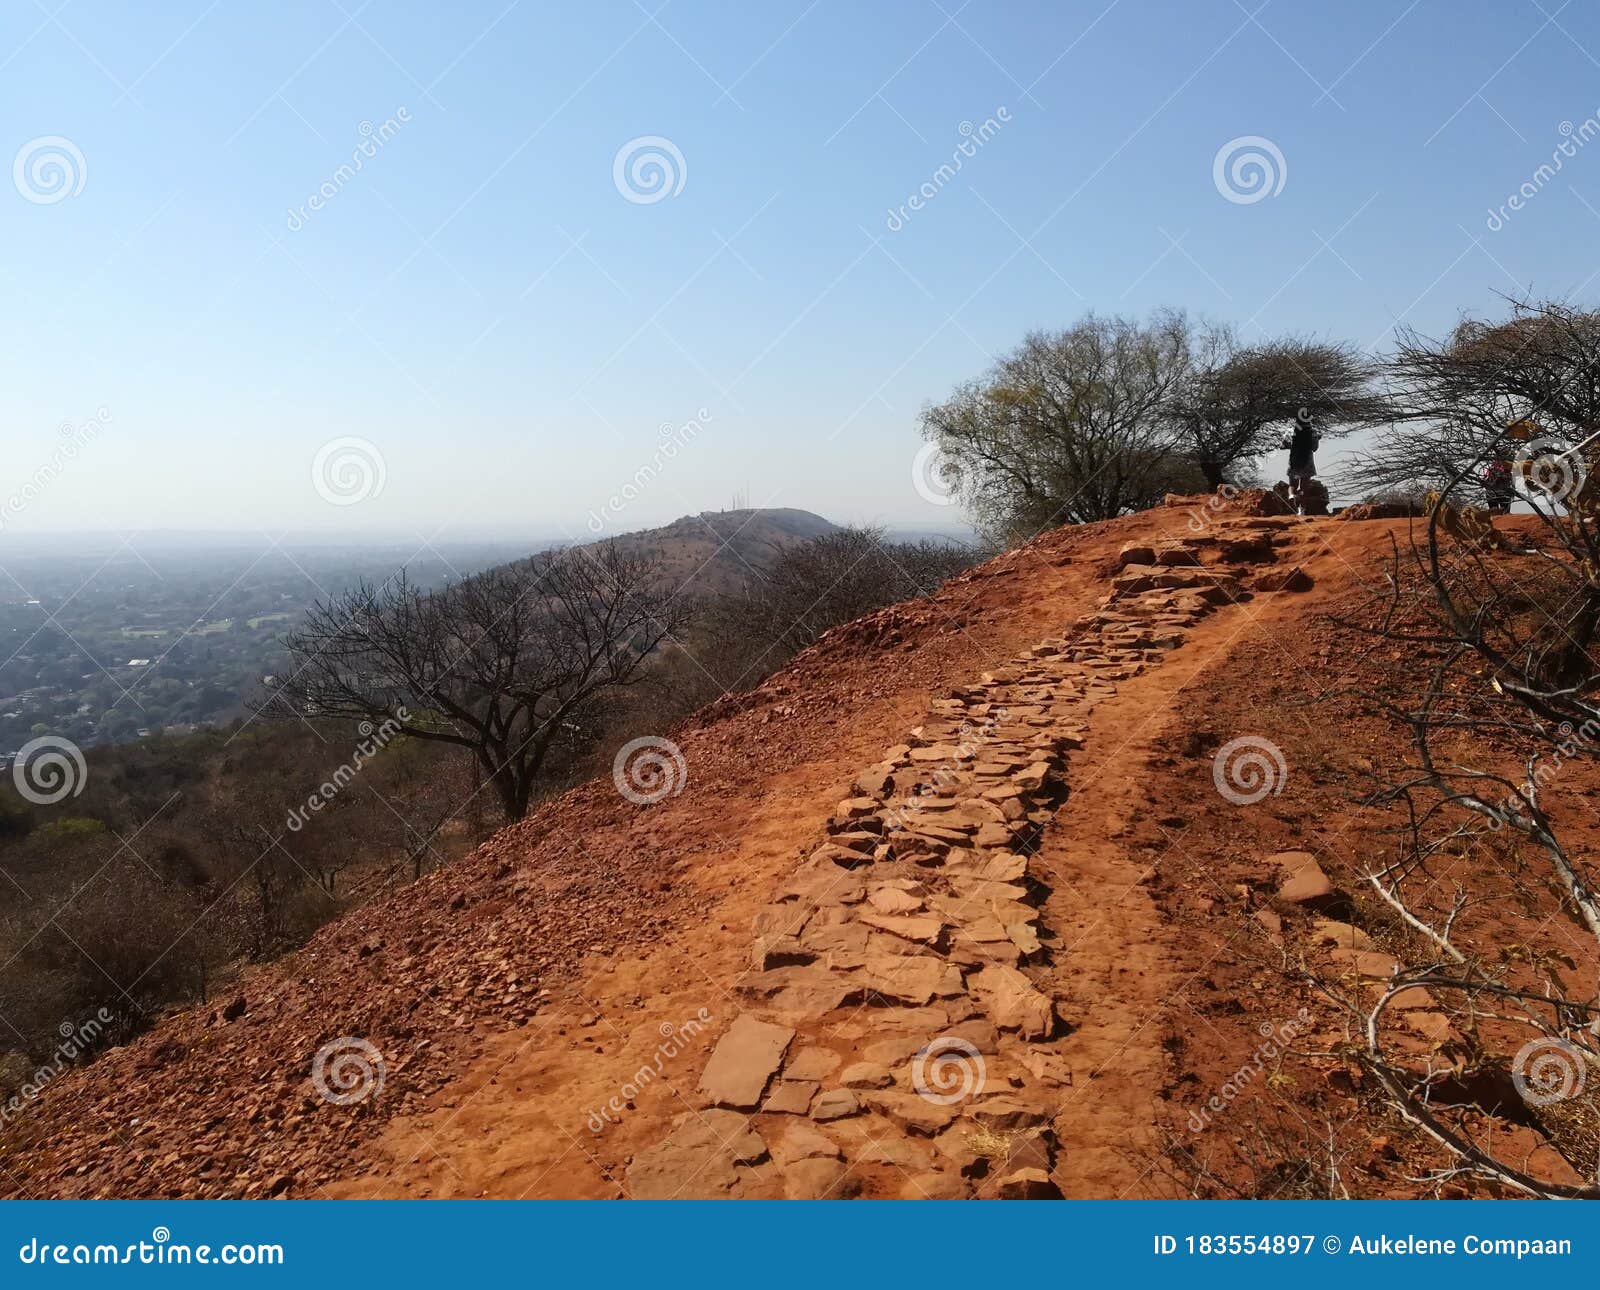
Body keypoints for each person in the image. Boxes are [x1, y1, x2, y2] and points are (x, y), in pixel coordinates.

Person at [1283, 409, 1321, 515]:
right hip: (1307, 463)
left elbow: (1283, 445)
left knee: (1292, 484)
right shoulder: (1313, 432)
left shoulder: (1290, 431)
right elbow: (1314, 448)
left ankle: (1291, 495)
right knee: (1304, 487)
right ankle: (1301, 510)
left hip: (1294, 462)